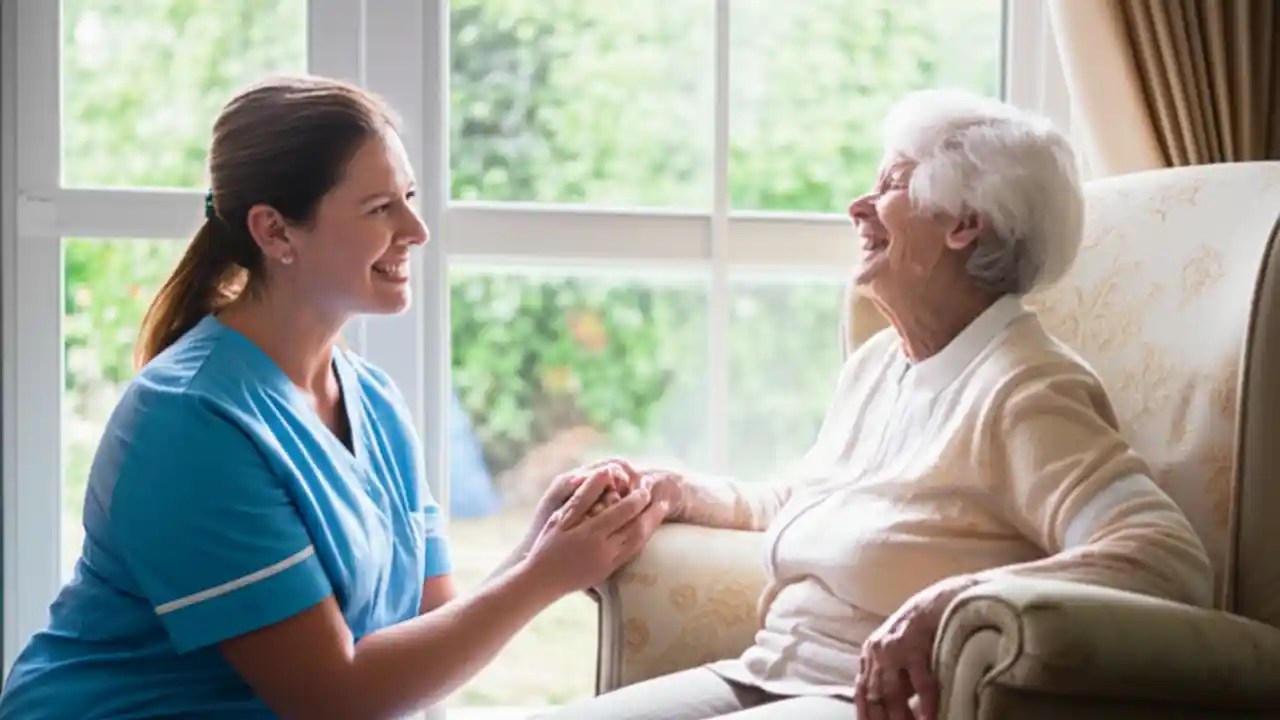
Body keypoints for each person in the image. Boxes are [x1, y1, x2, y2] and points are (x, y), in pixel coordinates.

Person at [0, 75, 667, 720]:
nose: (416, 228)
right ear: (275, 232)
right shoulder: (189, 419)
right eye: (381, 207)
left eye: (409, 195)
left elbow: (429, 633)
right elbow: (332, 698)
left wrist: (541, 545)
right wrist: (546, 576)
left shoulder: (371, 399)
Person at [545, 89, 1214, 720]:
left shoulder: (1027, 388)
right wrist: (683, 491)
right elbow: (813, 499)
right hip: (765, 673)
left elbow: (1165, 557)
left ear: (965, 225)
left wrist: (952, 603)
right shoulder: (882, 364)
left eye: (893, 184)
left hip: (856, 702)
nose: (858, 206)